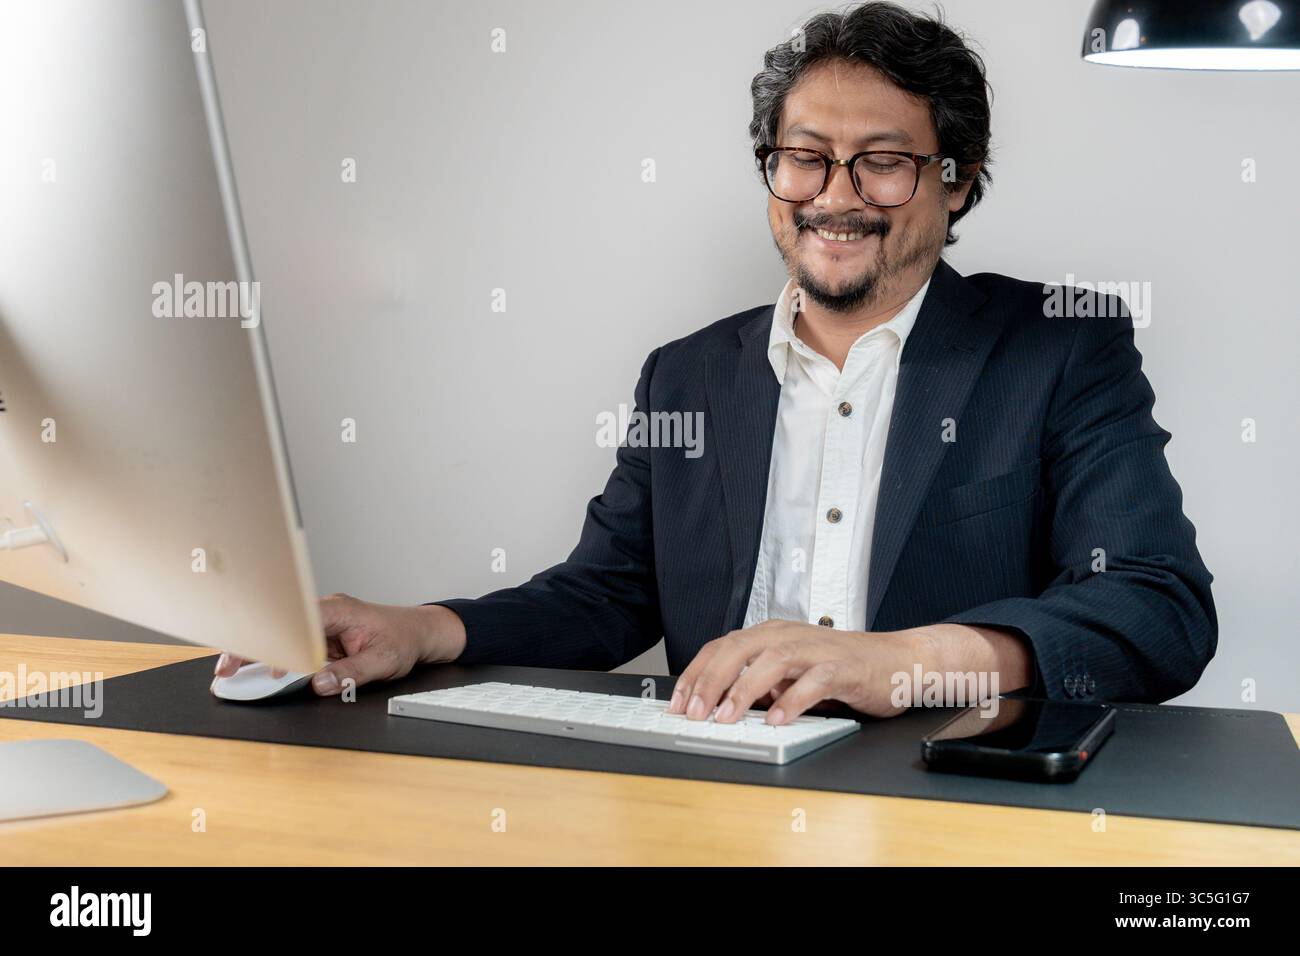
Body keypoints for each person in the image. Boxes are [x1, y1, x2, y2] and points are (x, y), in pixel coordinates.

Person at [215, 2, 1216, 724]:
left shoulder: (1060, 347)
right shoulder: (683, 376)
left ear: (957, 184)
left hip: (946, 807)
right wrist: (418, 628)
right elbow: (604, 595)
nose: (837, 193)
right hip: (714, 795)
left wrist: (898, 662)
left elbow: (1155, 604)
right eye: (805, 155)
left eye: (884, 158)